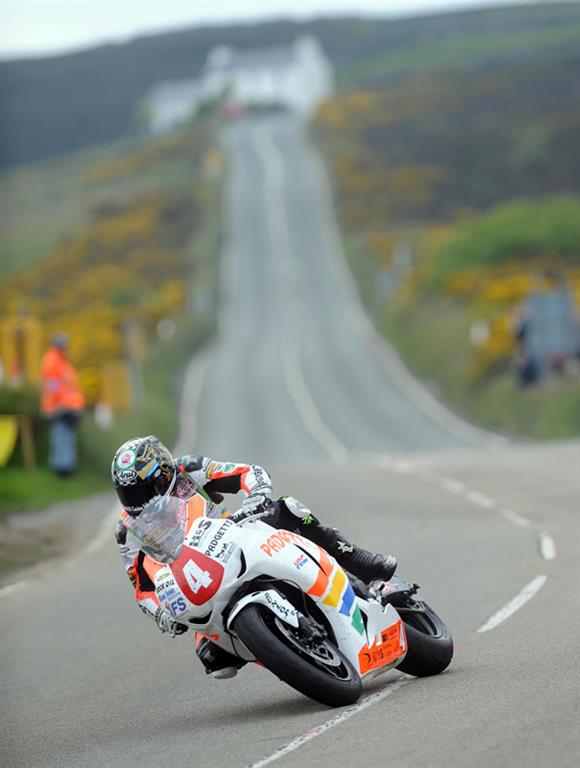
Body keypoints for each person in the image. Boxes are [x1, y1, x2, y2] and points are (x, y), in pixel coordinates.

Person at [113, 435, 397, 679]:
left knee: (288, 509)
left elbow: (246, 473)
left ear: (163, 473)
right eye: (127, 493)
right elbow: (142, 588)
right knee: (213, 658)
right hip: (200, 576)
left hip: (237, 536)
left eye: (142, 489)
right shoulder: (128, 530)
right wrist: (161, 614)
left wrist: (256, 495)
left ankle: (358, 562)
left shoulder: (188, 469)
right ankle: (289, 651)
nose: (138, 500)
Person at [41, 332, 85, 476]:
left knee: (66, 435)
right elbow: (52, 384)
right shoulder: (53, 360)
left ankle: (66, 466)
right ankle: (61, 468)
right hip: (59, 407)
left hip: (67, 407)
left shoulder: (61, 361)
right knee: (61, 435)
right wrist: (61, 403)